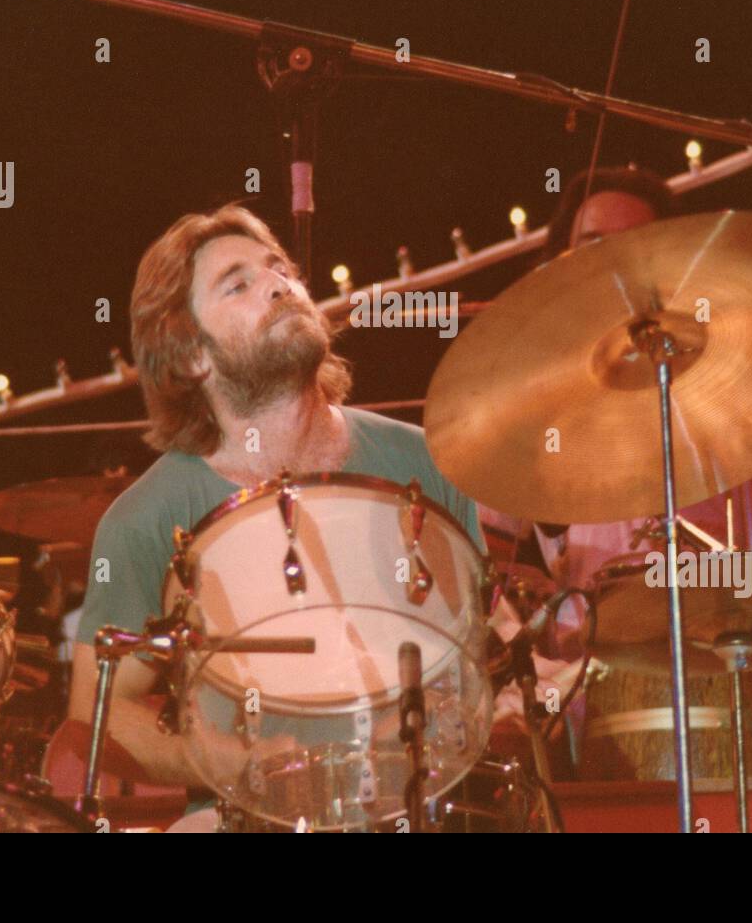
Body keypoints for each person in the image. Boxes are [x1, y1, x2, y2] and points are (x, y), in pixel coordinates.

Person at [68, 203, 505, 788]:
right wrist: (228, 761)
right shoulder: (144, 519)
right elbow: (100, 712)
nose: (279, 285)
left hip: (428, 806)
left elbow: (481, 642)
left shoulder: (426, 459)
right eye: (238, 284)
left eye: (281, 269)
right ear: (193, 355)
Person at [481, 166, 752, 769]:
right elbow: (477, 562)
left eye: (639, 247)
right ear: (561, 266)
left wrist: (726, 594)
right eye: (593, 247)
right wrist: (526, 628)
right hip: (584, 689)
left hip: (717, 664)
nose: (613, 264)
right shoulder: (535, 409)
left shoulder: (736, 392)